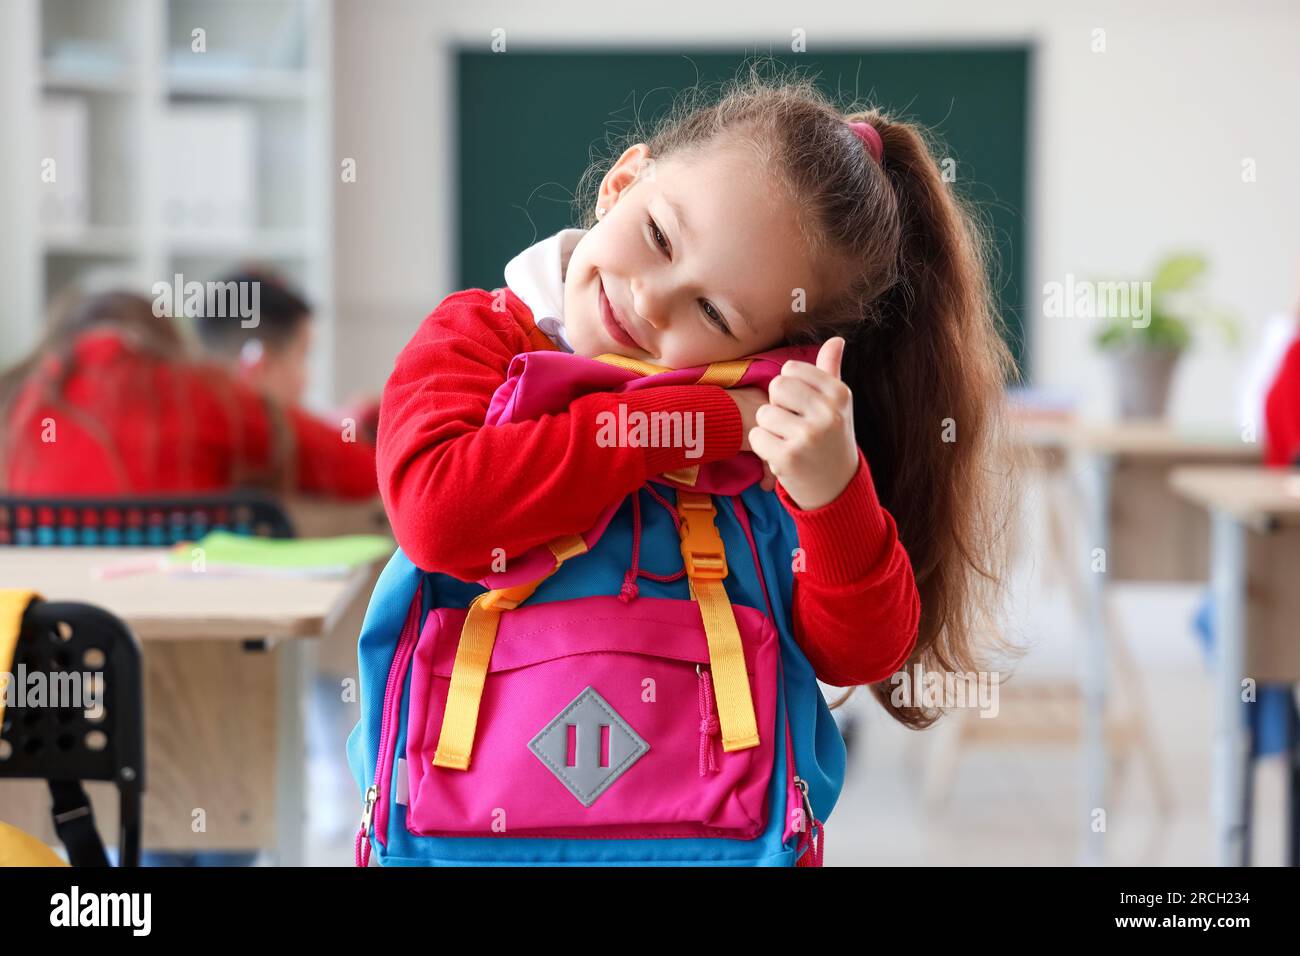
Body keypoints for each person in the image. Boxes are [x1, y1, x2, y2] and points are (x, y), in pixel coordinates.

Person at [376, 66, 1014, 724]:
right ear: (621, 183)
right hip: (465, 814)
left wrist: (834, 493)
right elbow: (437, 519)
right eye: (658, 236)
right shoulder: (473, 335)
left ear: (767, 349)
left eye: (714, 314)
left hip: (706, 823)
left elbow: (856, 654)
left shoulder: (778, 423)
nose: (651, 301)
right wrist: (703, 422)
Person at [0, 289, 377, 499]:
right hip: (189, 629)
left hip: (31, 632)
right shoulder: (208, 396)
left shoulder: (17, 402)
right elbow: (366, 473)